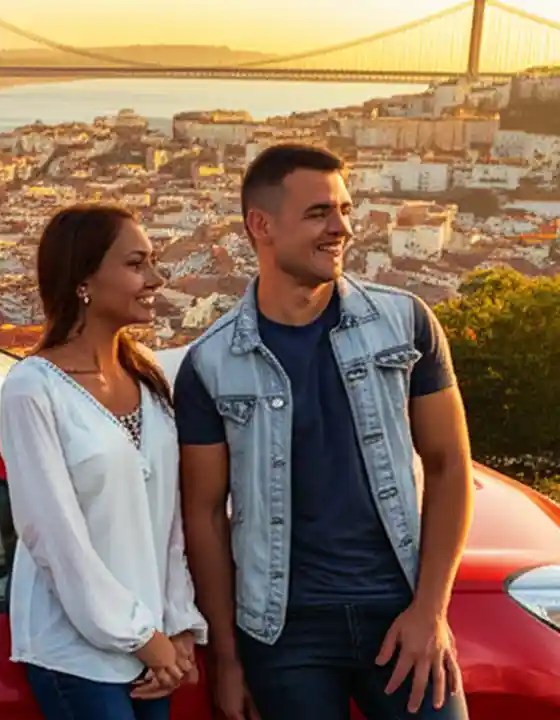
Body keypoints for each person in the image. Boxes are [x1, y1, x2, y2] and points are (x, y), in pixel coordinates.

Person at [174, 143, 473, 720]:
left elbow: (448, 466)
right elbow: (205, 517)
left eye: (344, 209)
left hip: (399, 610)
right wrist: (229, 662)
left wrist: (431, 610)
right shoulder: (210, 365)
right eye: (319, 213)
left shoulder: (407, 323)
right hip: (283, 632)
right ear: (260, 225)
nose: (342, 228)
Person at [0, 204, 208, 720]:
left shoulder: (149, 380)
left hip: (149, 649)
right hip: (77, 654)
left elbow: (168, 521)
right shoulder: (33, 390)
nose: (155, 278)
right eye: (137, 264)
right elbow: (54, 535)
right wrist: (140, 636)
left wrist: (177, 624)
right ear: (83, 280)